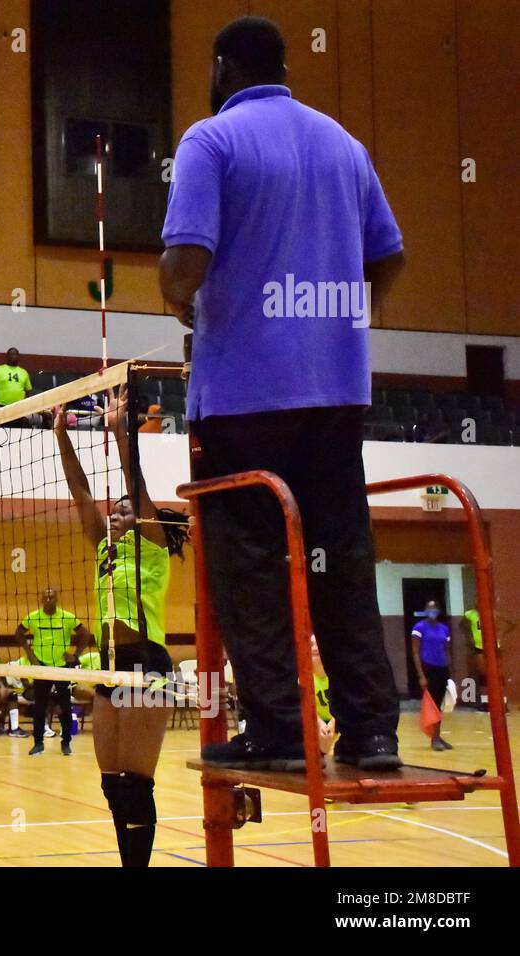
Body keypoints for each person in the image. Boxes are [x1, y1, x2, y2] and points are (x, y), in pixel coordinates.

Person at [160, 15, 405, 771]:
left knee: (250, 566)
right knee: (339, 558)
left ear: (222, 66)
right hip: (336, 395)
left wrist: (181, 301)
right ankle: (371, 732)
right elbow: (389, 256)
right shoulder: (345, 145)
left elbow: (185, 260)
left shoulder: (211, 141)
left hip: (244, 400)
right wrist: (341, 317)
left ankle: (281, 733)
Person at [55, 389, 190, 867]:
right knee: (112, 784)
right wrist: (61, 438)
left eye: (126, 511)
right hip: (111, 667)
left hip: (146, 665)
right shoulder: (103, 548)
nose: (116, 514)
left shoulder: (151, 547)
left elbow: (138, 484)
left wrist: (119, 430)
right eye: (116, 511)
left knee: (135, 784)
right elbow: (81, 492)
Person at [16, 587, 90, 756]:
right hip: (42, 667)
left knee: (65, 706)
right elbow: (18, 633)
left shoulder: (67, 617)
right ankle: (38, 743)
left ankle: (66, 743)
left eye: (51, 597)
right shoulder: (33, 617)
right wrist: (30, 655)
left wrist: (76, 655)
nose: (48, 600)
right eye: (46, 597)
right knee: (40, 707)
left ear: (57, 599)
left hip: (61, 667)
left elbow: (85, 633)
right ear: (42, 600)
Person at [411, 600, 453, 751]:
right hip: (428, 668)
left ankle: (438, 735)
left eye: (435, 608)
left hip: (442, 668)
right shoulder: (419, 627)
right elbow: (415, 652)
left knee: (440, 704)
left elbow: (447, 650)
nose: (432, 611)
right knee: (432, 704)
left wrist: (450, 670)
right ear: (425, 610)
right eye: (429, 608)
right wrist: (421, 675)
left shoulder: (444, 629)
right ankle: (434, 739)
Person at [310, 635, 338, 757]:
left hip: (337, 718)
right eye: (311, 645)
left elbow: (346, 704)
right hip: (317, 719)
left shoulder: (337, 674)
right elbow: (304, 705)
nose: (315, 648)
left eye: (318, 644)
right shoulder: (304, 677)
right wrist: (319, 722)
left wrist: (334, 722)